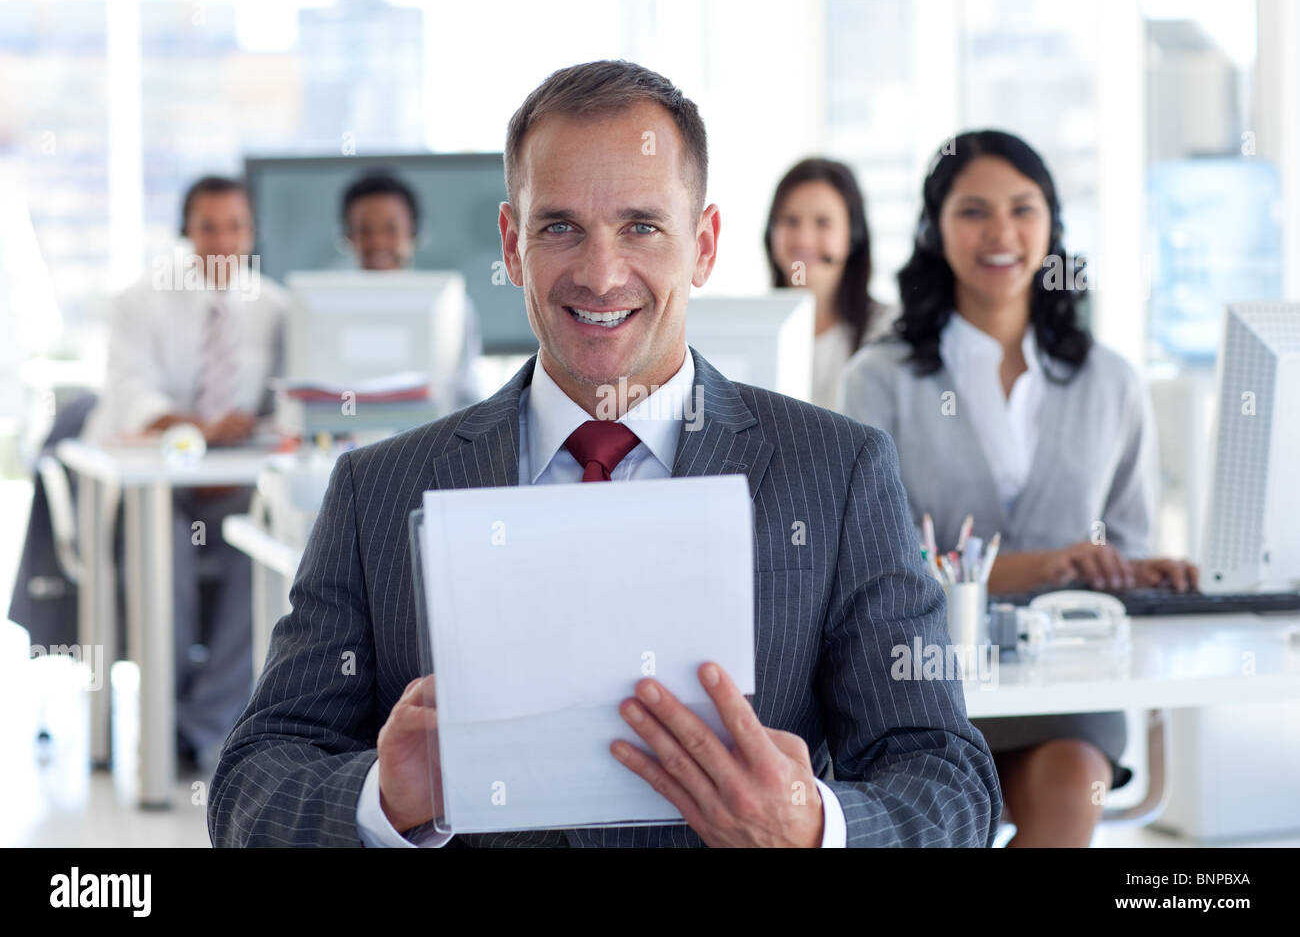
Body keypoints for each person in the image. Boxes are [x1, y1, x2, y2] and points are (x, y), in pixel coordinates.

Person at [208, 61, 1000, 848]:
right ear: (513, 246)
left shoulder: (838, 473)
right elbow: (249, 788)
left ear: (705, 244)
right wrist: (386, 797)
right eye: (560, 227)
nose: (600, 272)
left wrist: (811, 824)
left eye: (642, 226)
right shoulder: (377, 490)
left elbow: (949, 785)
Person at [840, 130, 1198, 847]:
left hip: (1070, 689)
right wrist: (1048, 566)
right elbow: (871, 571)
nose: (1001, 233)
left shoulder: (1110, 382)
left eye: (1023, 209)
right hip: (924, 688)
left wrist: (1132, 571)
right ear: (935, 231)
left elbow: (1123, 543)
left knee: (1069, 787)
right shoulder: (878, 380)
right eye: (973, 211)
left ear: (1052, 227)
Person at [84, 175, 288, 768]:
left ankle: (204, 728)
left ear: (251, 232)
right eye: (208, 226)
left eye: (235, 226)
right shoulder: (138, 302)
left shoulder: (275, 308)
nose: (223, 240)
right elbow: (128, 392)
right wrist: (193, 428)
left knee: (256, 549)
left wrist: (250, 430)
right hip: (156, 489)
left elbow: (282, 404)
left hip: (234, 487)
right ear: (185, 231)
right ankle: (162, 717)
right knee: (163, 553)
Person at [340, 170, 483, 408]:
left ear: (414, 232)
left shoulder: (453, 307)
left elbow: (467, 391)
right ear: (347, 237)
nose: (377, 242)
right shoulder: (331, 306)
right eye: (364, 230)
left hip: (435, 440)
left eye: (391, 229)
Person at [765, 158, 896, 411]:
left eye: (823, 222)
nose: (803, 239)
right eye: (790, 221)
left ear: (853, 236)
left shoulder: (888, 329)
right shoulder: (755, 327)